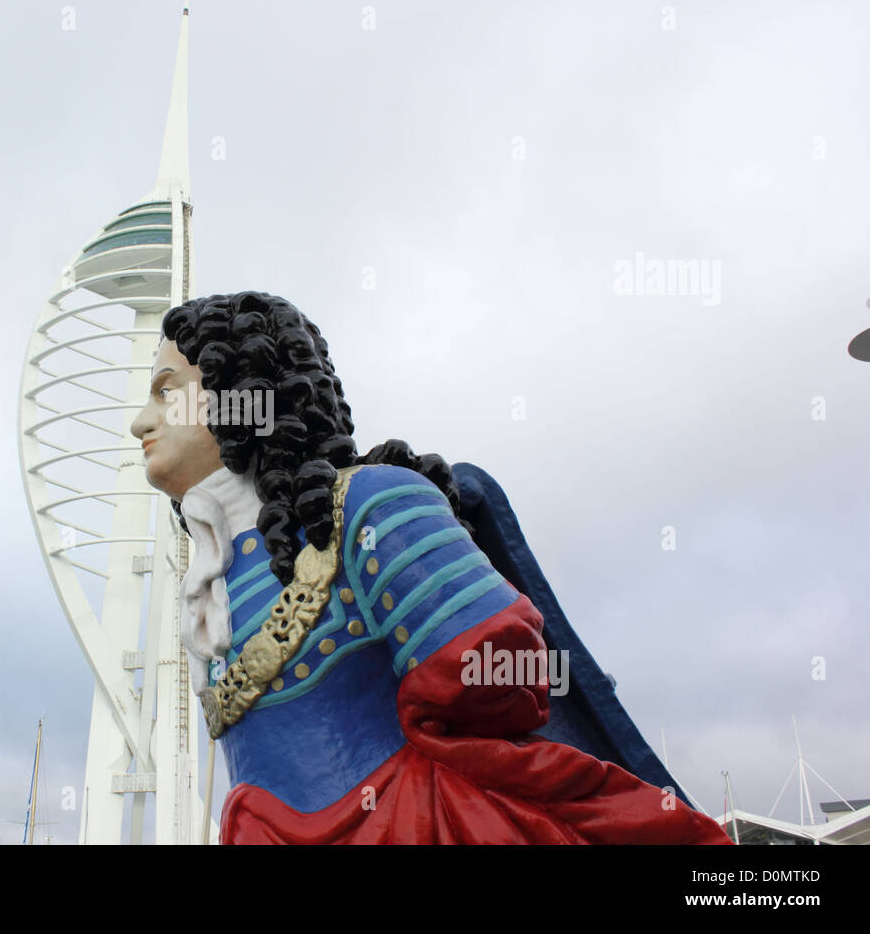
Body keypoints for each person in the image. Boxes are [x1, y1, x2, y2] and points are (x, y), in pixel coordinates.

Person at [130, 290, 731, 845]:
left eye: (166, 391)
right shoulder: (217, 582)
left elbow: (506, 672)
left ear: (244, 390)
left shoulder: (370, 504)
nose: (141, 422)